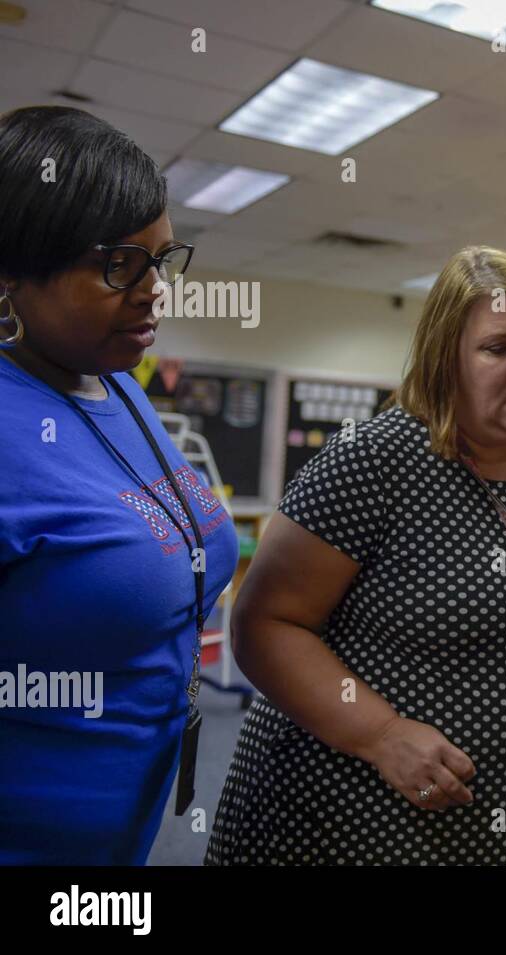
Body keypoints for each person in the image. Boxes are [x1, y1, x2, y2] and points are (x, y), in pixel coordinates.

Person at [206, 246, 506, 865]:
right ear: (446, 360)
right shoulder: (373, 461)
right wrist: (382, 733)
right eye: (498, 347)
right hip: (355, 817)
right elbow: (263, 624)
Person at [0, 106, 238, 864]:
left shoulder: (119, 386)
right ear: (12, 273)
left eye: (161, 260)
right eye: (118, 264)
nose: (153, 291)